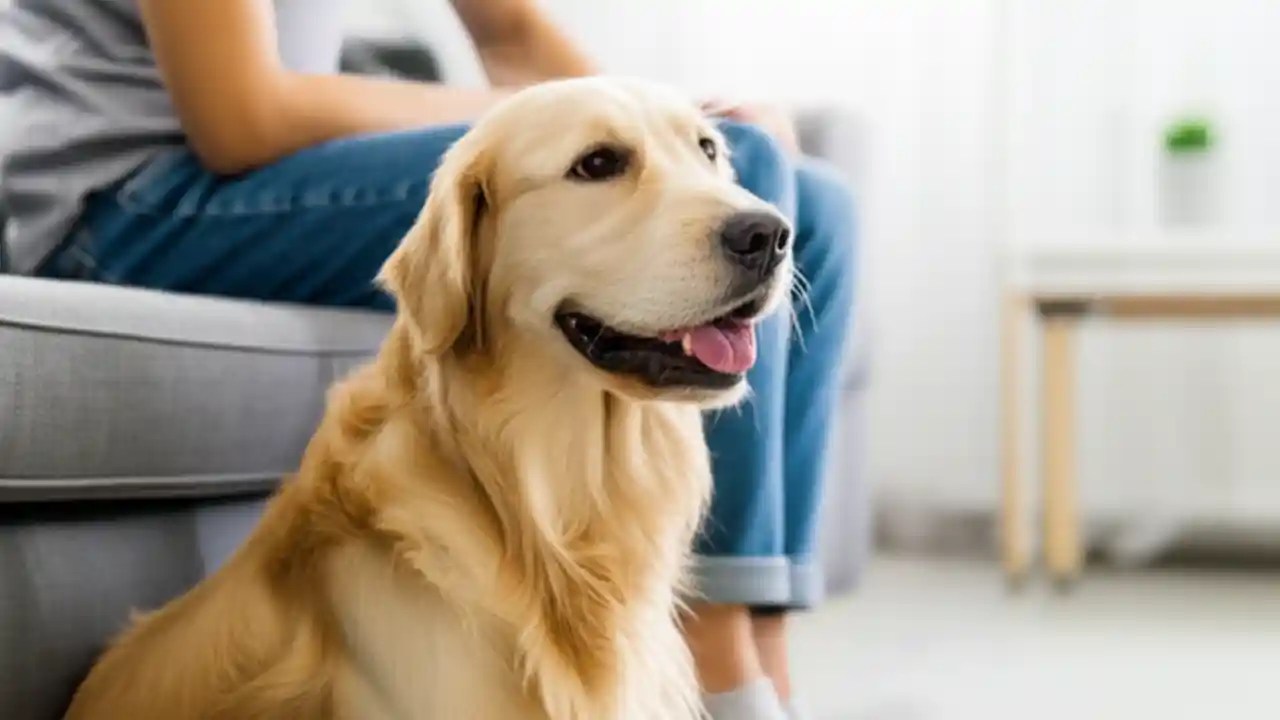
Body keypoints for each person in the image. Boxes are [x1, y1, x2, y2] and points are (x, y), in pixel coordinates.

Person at [0, 1, 856, 718]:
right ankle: (711, 655)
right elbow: (241, 115)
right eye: (602, 166)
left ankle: (758, 655)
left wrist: (674, 129)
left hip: (231, 180)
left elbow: (511, 31)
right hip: (125, 202)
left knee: (803, 192)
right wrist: (538, 125)